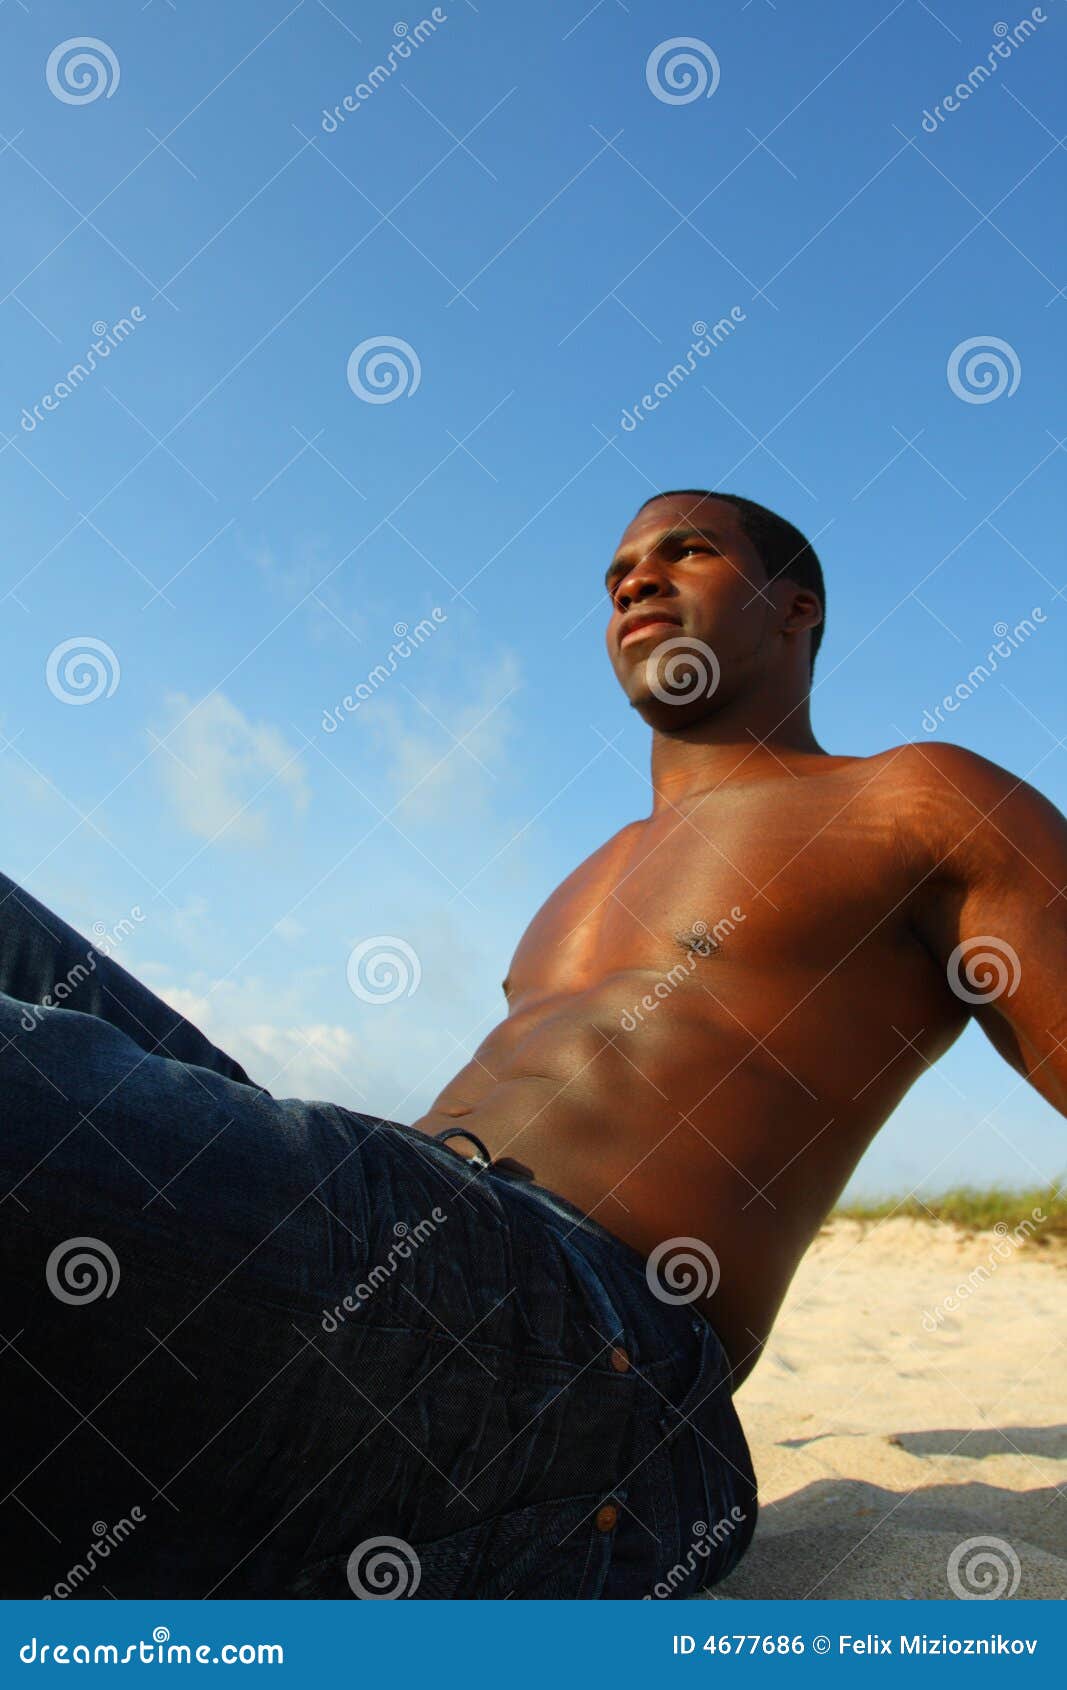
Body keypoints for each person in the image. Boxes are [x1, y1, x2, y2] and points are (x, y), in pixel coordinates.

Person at [2, 490, 1064, 1600]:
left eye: (686, 551)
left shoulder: (907, 798)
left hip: (583, 1336)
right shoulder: (587, 877)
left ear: (797, 608)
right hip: (372, 1228)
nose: (635, 580)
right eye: (618, 574)